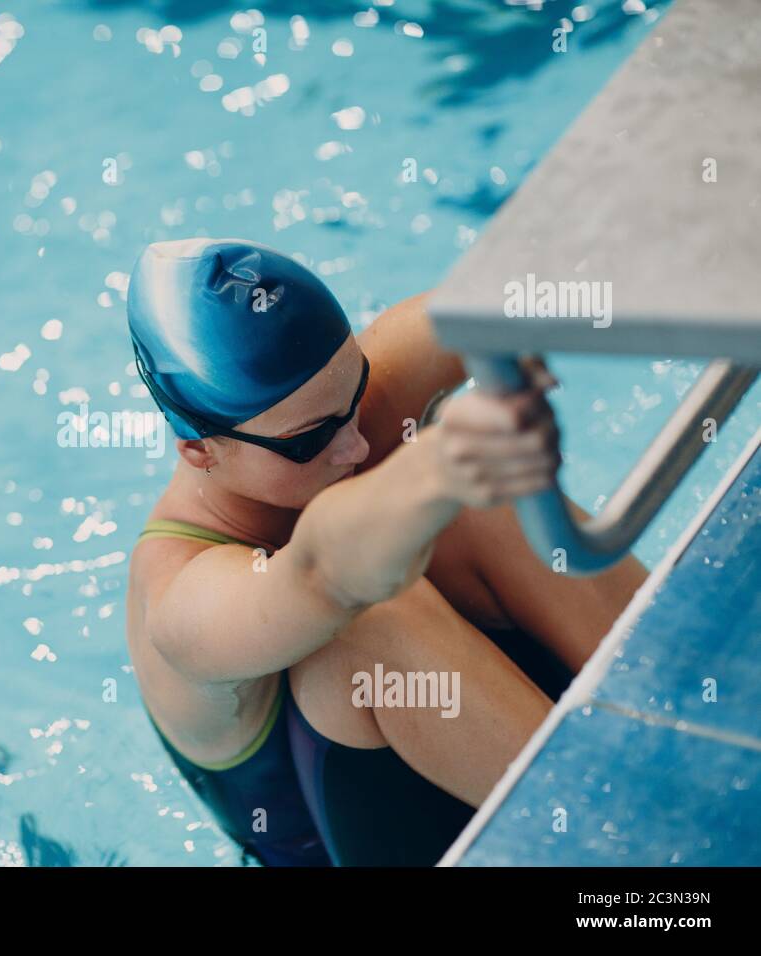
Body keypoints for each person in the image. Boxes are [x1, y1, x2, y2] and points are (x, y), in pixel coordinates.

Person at [124, 238, 647, 866]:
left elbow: (530, 285)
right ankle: (643, 854)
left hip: (508, 747)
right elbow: (319, 575)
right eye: (311, 438)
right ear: (199, 451)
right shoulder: (180, 598)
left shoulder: (330, 415)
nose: (354, 445)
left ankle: (693, 725)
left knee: (470, 511)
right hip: (408, 844)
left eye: (357, 394)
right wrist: (440, 464)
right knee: (363, 619)